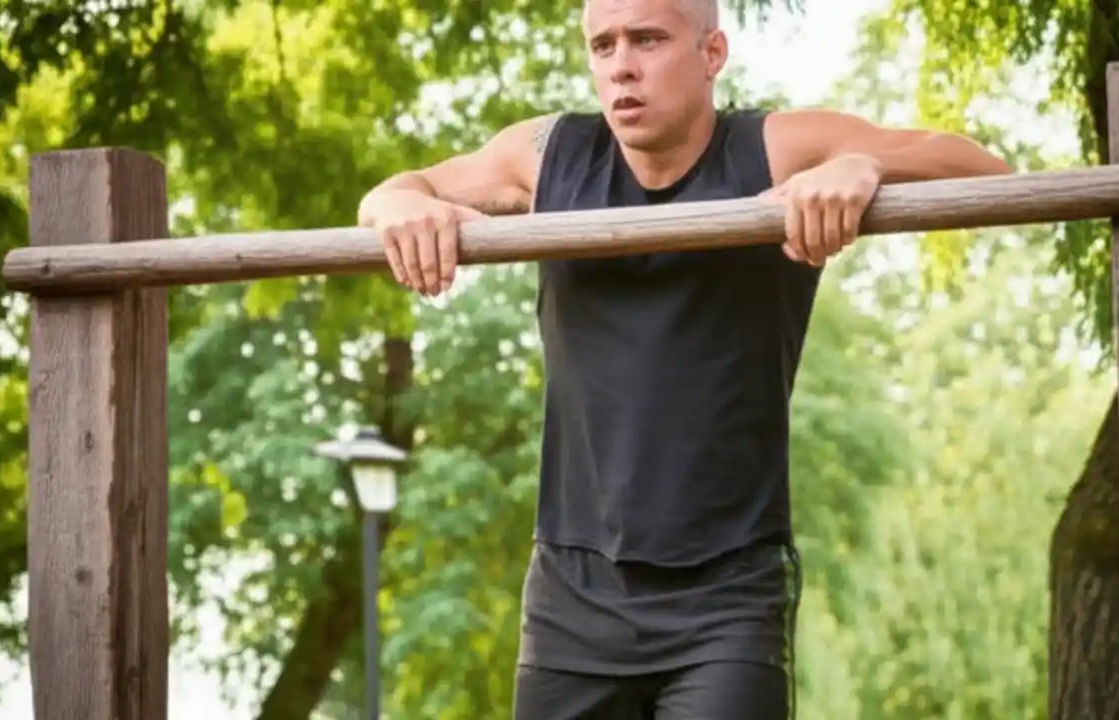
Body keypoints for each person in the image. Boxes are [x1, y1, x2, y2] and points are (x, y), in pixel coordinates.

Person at [357, 0, 1011, 716]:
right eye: (602, 46)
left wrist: (862, 165)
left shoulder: (774, 148)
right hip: (573, 594)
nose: (621, 66)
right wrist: (398, 209)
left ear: (712, 53)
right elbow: (397, 191)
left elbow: (983, 166)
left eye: (647, 39)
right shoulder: (551, 157)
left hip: (726, 595)